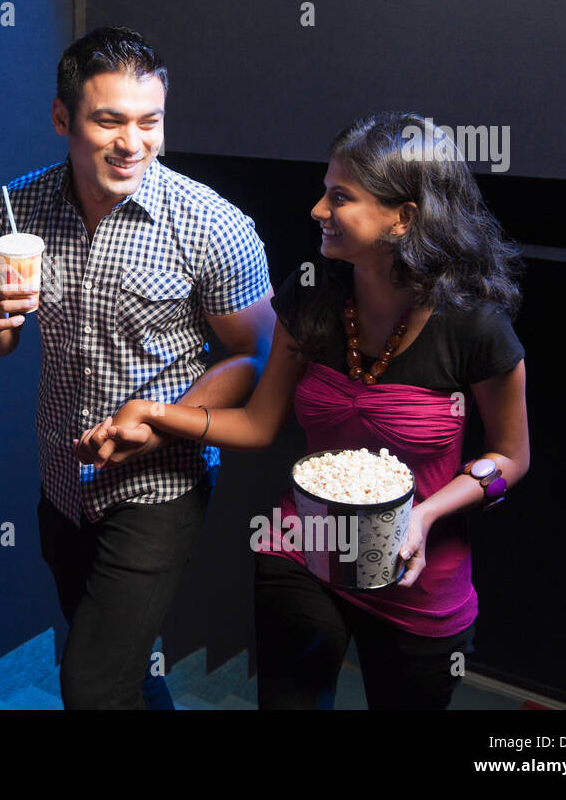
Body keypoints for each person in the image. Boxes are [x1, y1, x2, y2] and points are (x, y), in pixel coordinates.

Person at [77, 112, 531, 710]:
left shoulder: (474, 324)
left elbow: (510, 458)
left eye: (339, 198)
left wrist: (424, 516)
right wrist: (155, 415)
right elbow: (258, 424)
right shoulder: (314, 291)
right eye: (324, 191)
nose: (318, 209)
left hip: (418, 579)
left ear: (404, 218)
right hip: (305, 550)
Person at [0, 26, 275, 709]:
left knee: (92, 683)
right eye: (108, 120)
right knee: (122, 667)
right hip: (60, 480)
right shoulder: (20, 207)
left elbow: (260, 353)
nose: (131, 142)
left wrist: (161, 425)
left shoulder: (210, 226)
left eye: (149, 121)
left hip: (158, 483)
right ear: (62, 117)